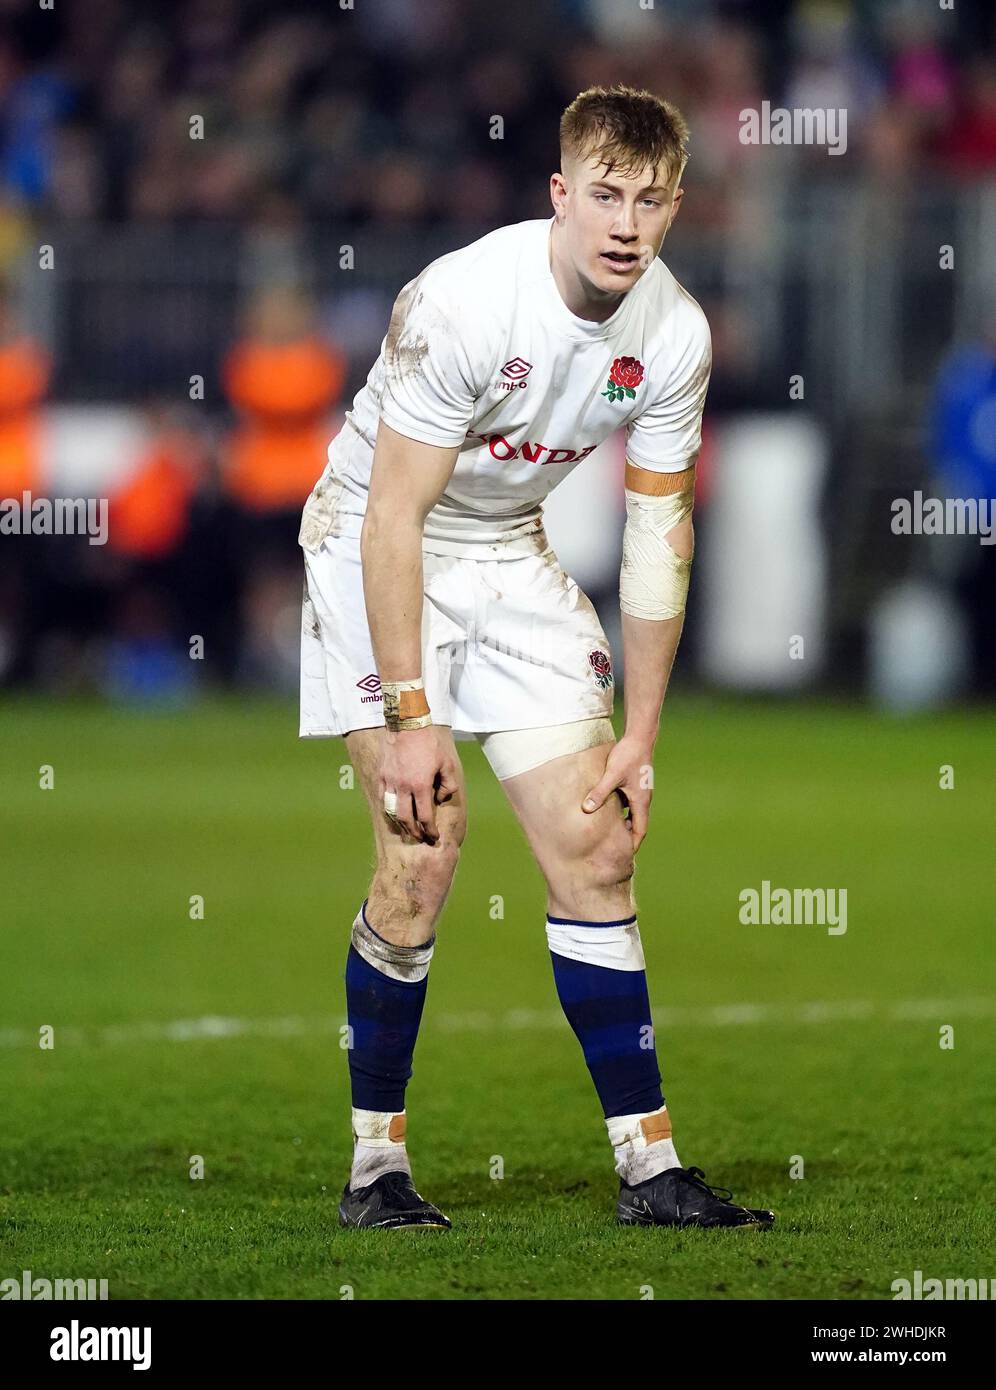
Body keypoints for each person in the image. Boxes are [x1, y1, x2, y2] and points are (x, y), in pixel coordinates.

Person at [299, 84, 775, 1231]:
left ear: (673, 210)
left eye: (650, 201)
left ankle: (650, 1169)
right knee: (424, 853)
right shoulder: (464, 301)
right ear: (560, 195)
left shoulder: (675, 334)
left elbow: (662, 534)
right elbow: (390, 519)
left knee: (596, 842)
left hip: (508, 550)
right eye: (604, 194)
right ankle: (376, 1172)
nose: (626, 222)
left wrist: (645, 737)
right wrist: (414, 715)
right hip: (376, 538)